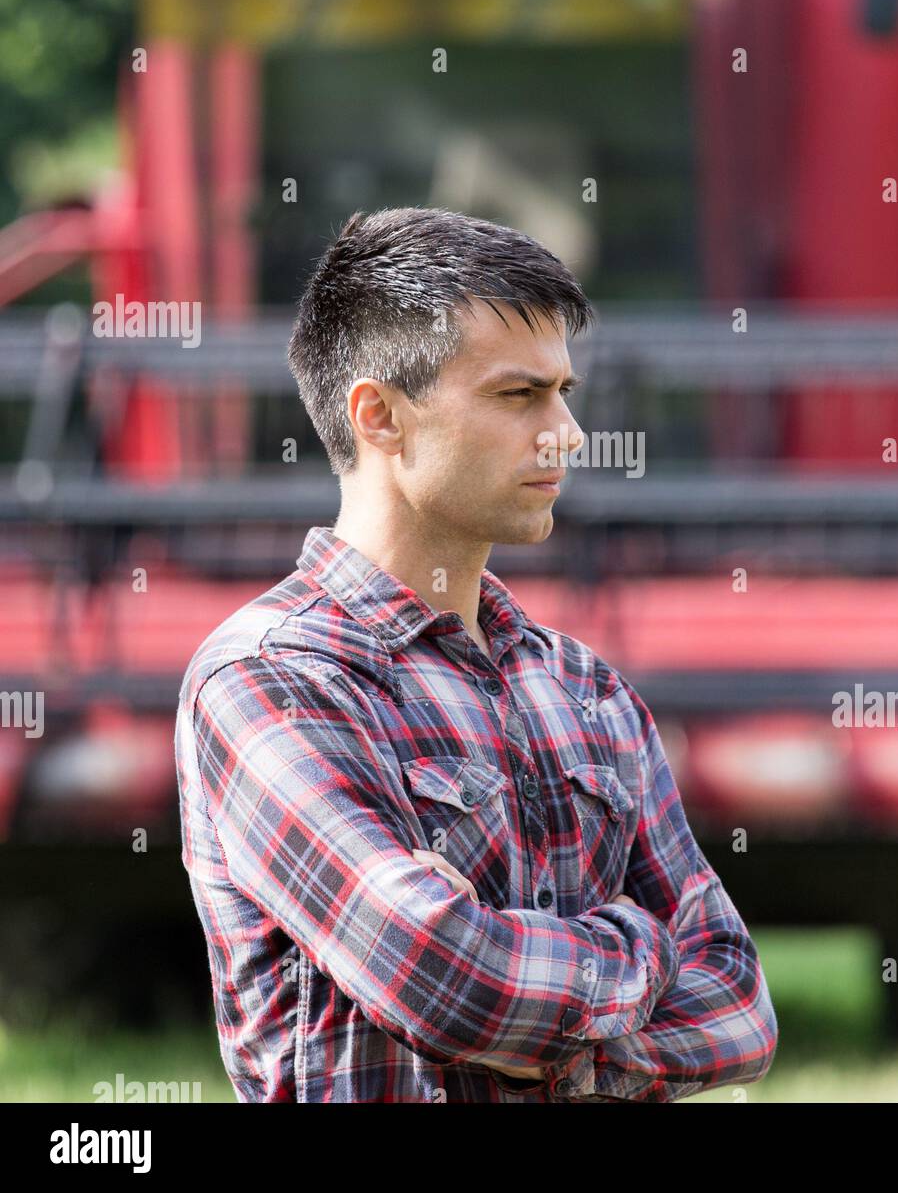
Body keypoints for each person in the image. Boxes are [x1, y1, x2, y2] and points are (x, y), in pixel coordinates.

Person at [175, 205, 778, 1102]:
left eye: (563, 392)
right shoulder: (268, 681)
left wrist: (546, 1025)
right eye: (516, 395)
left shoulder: (587, 689)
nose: (565, 433)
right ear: (379, 417)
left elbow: (740, 1005)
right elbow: (442, 974)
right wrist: (642, 943)